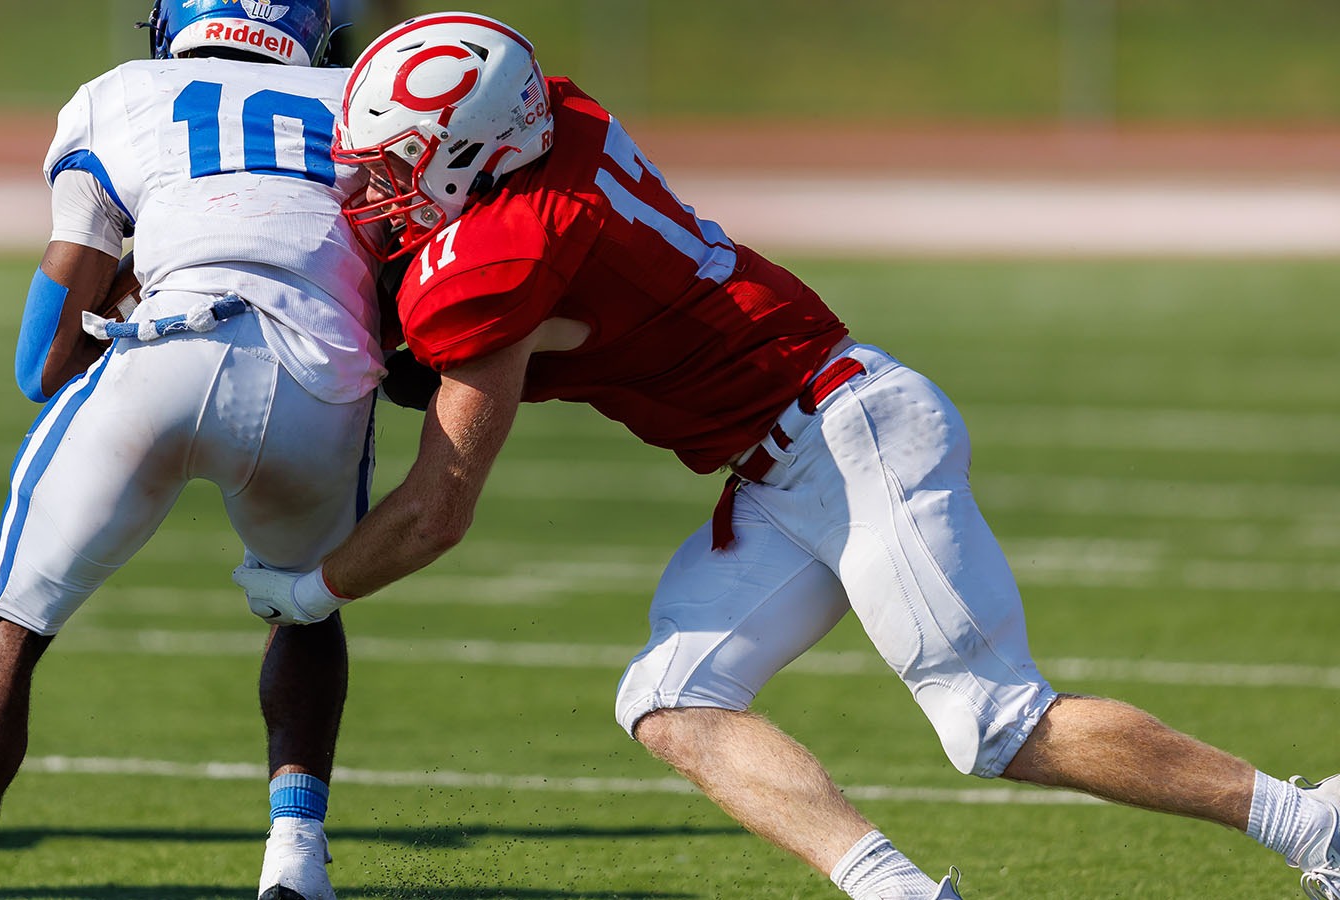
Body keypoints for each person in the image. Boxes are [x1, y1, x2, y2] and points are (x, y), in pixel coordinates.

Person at [230, 11, 1340, 900]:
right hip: (784, 457)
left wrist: (305, 586)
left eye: (398, 167)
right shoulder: (550, 119)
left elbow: (439, 505)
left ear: (479, 154)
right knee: (672, 698)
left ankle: (1316, 825)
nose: (368, 191)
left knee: (994, 722)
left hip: (848, 434)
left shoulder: (501, 253)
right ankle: (896, 892)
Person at [0, 3, 382, 899]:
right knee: (307, 607)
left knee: (6, 624)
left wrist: (138, 280)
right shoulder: (362, 96)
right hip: (319, 378)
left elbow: (42, 362)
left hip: (164, 357)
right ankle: (295, 857)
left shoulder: (122, 93)